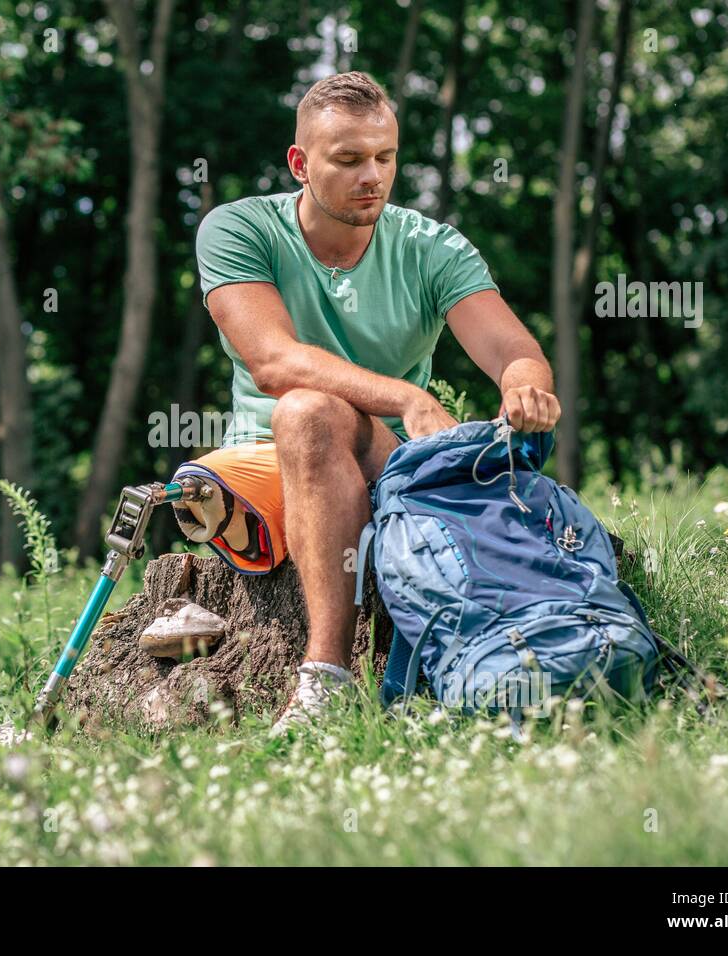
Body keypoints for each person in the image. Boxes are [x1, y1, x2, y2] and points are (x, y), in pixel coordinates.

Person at [173, 71, 561, 737]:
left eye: (385, 158)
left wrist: (525, 388)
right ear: (300, 163)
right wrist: (408, 397)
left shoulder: (430, 247)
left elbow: (513, 348)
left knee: (315, 415)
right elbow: (274, 363)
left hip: (390, 462)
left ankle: (419, 684)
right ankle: (326, 684)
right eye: (348, 160)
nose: (371, 177)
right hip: (263, 461)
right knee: (303, 410)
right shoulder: (237, 228)